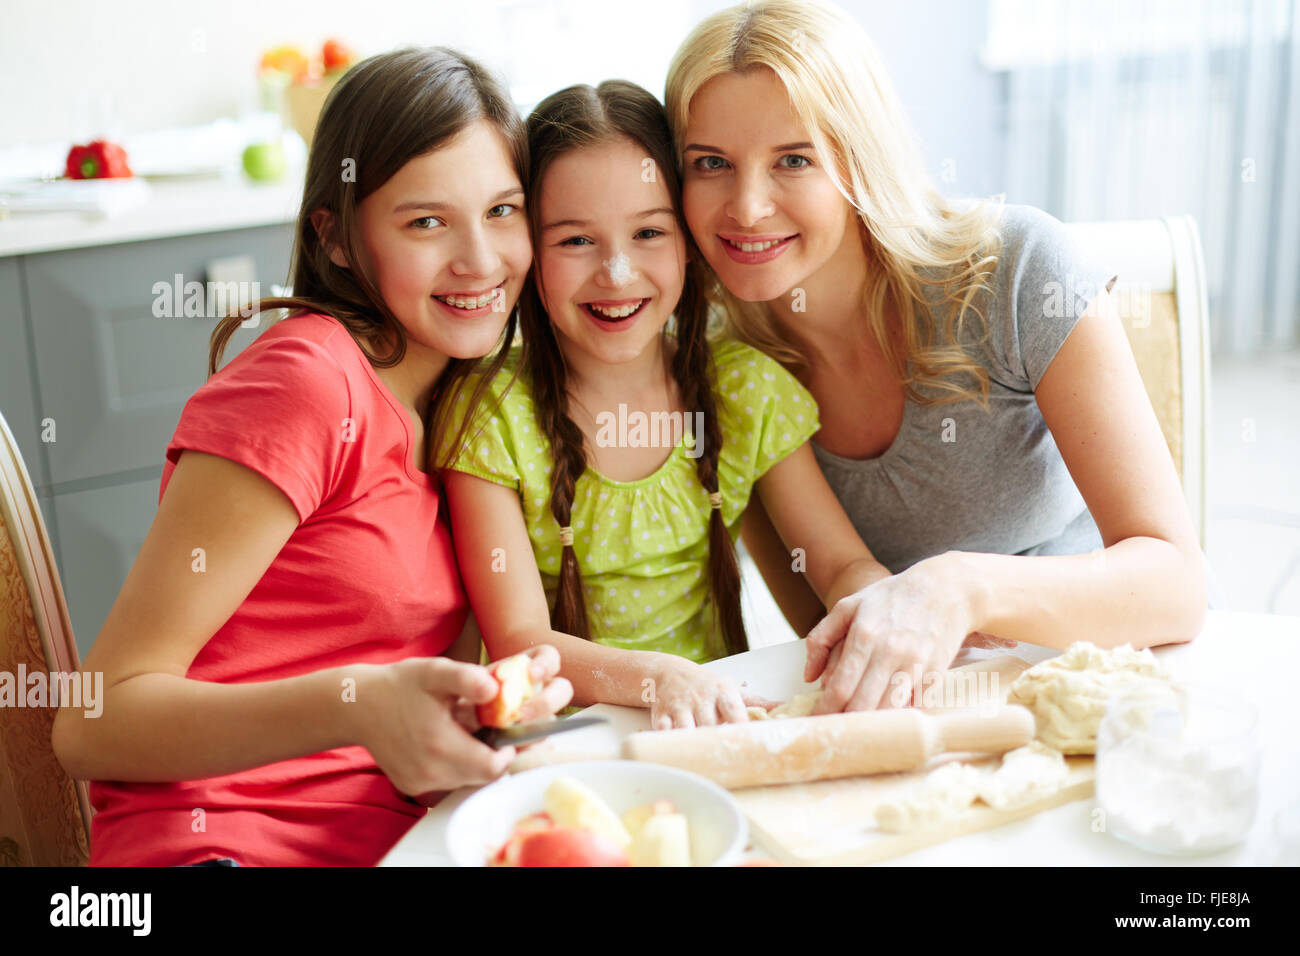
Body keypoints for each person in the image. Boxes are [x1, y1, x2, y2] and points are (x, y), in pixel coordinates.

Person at [50, 47, 571, 867]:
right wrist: (356, 706)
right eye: (425, 222)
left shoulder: (471, 405)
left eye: (503, 211)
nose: (480, 259)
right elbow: (93, 722)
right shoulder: (308, 386)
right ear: (333, 238)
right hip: (220, 844)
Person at [665, 0, 1208, 714]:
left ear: (859, 160)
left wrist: (959, 588)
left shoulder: (1017, 271)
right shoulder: (721, 365)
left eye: (794, 159)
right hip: (930, 713)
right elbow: (824, 625)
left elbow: (1176, 584)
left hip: (1110, 687)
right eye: (711, 164)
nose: (747, 207)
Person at [434, 80, 888, 730]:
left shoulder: (742, 390)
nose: (617, 274)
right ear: (529, 251)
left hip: (719, 730)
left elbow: (840, 563)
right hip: (565, 747)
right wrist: (661, 679)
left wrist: (885, 606)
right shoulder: (491, 412)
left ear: (690, 243)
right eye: (575, 241)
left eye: (648, 231)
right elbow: (519, 641)